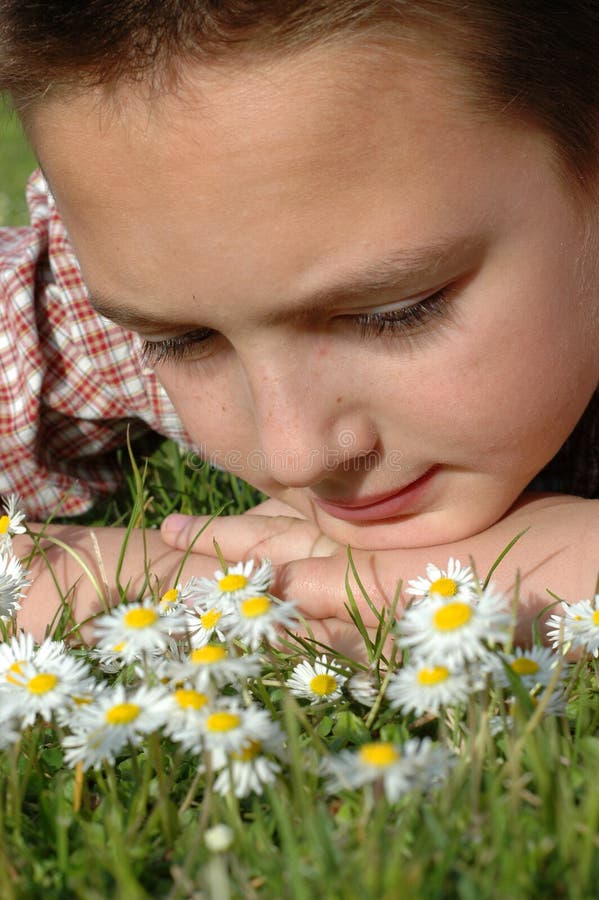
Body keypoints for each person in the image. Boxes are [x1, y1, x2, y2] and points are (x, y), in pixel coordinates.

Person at [0, 0, 597, 653]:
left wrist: (570, 565)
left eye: (393, 314)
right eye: (184, 342)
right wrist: (178, 579)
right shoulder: (152, 274)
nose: (294, 453)